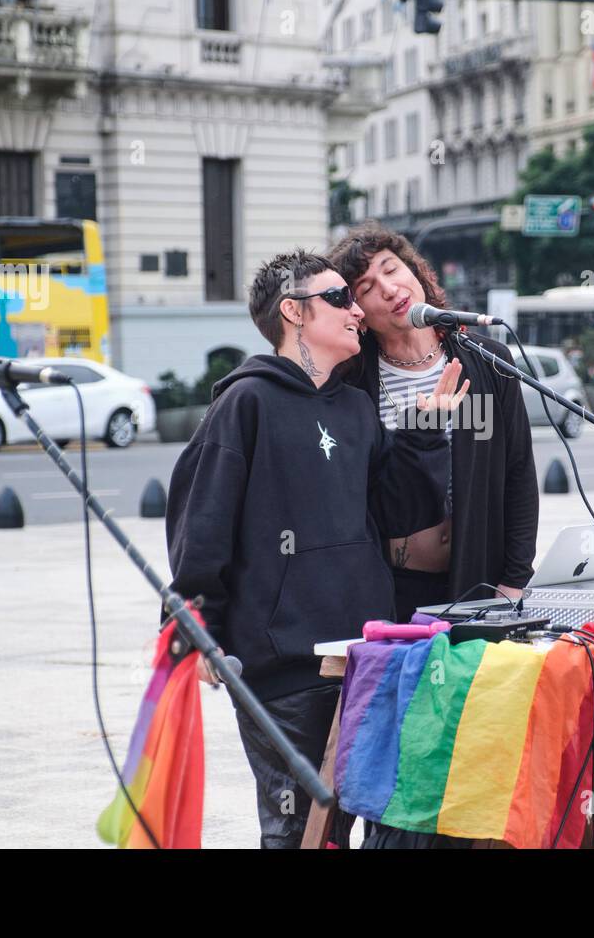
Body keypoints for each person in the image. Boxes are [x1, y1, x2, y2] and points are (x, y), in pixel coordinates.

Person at [165, 250, 465, 848]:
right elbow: (203, 521)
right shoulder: (245, 403)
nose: (357, 309)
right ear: (294, 313)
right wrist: (193, 625)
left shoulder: (355, 409)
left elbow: (395, 510)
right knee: (299, 829)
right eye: (339, 298)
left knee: (371, 818)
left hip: (361, 652)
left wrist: (427, 431)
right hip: (281, 665)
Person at [328, 222, 539, 621]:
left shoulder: (487, 359)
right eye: (367, 288)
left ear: (415, 272)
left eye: (391, 270)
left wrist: (514, 579)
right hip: (394, 587)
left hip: (480, 577)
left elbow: (518, 474)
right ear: (357, 312)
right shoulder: (353, 381)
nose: (389, 289)